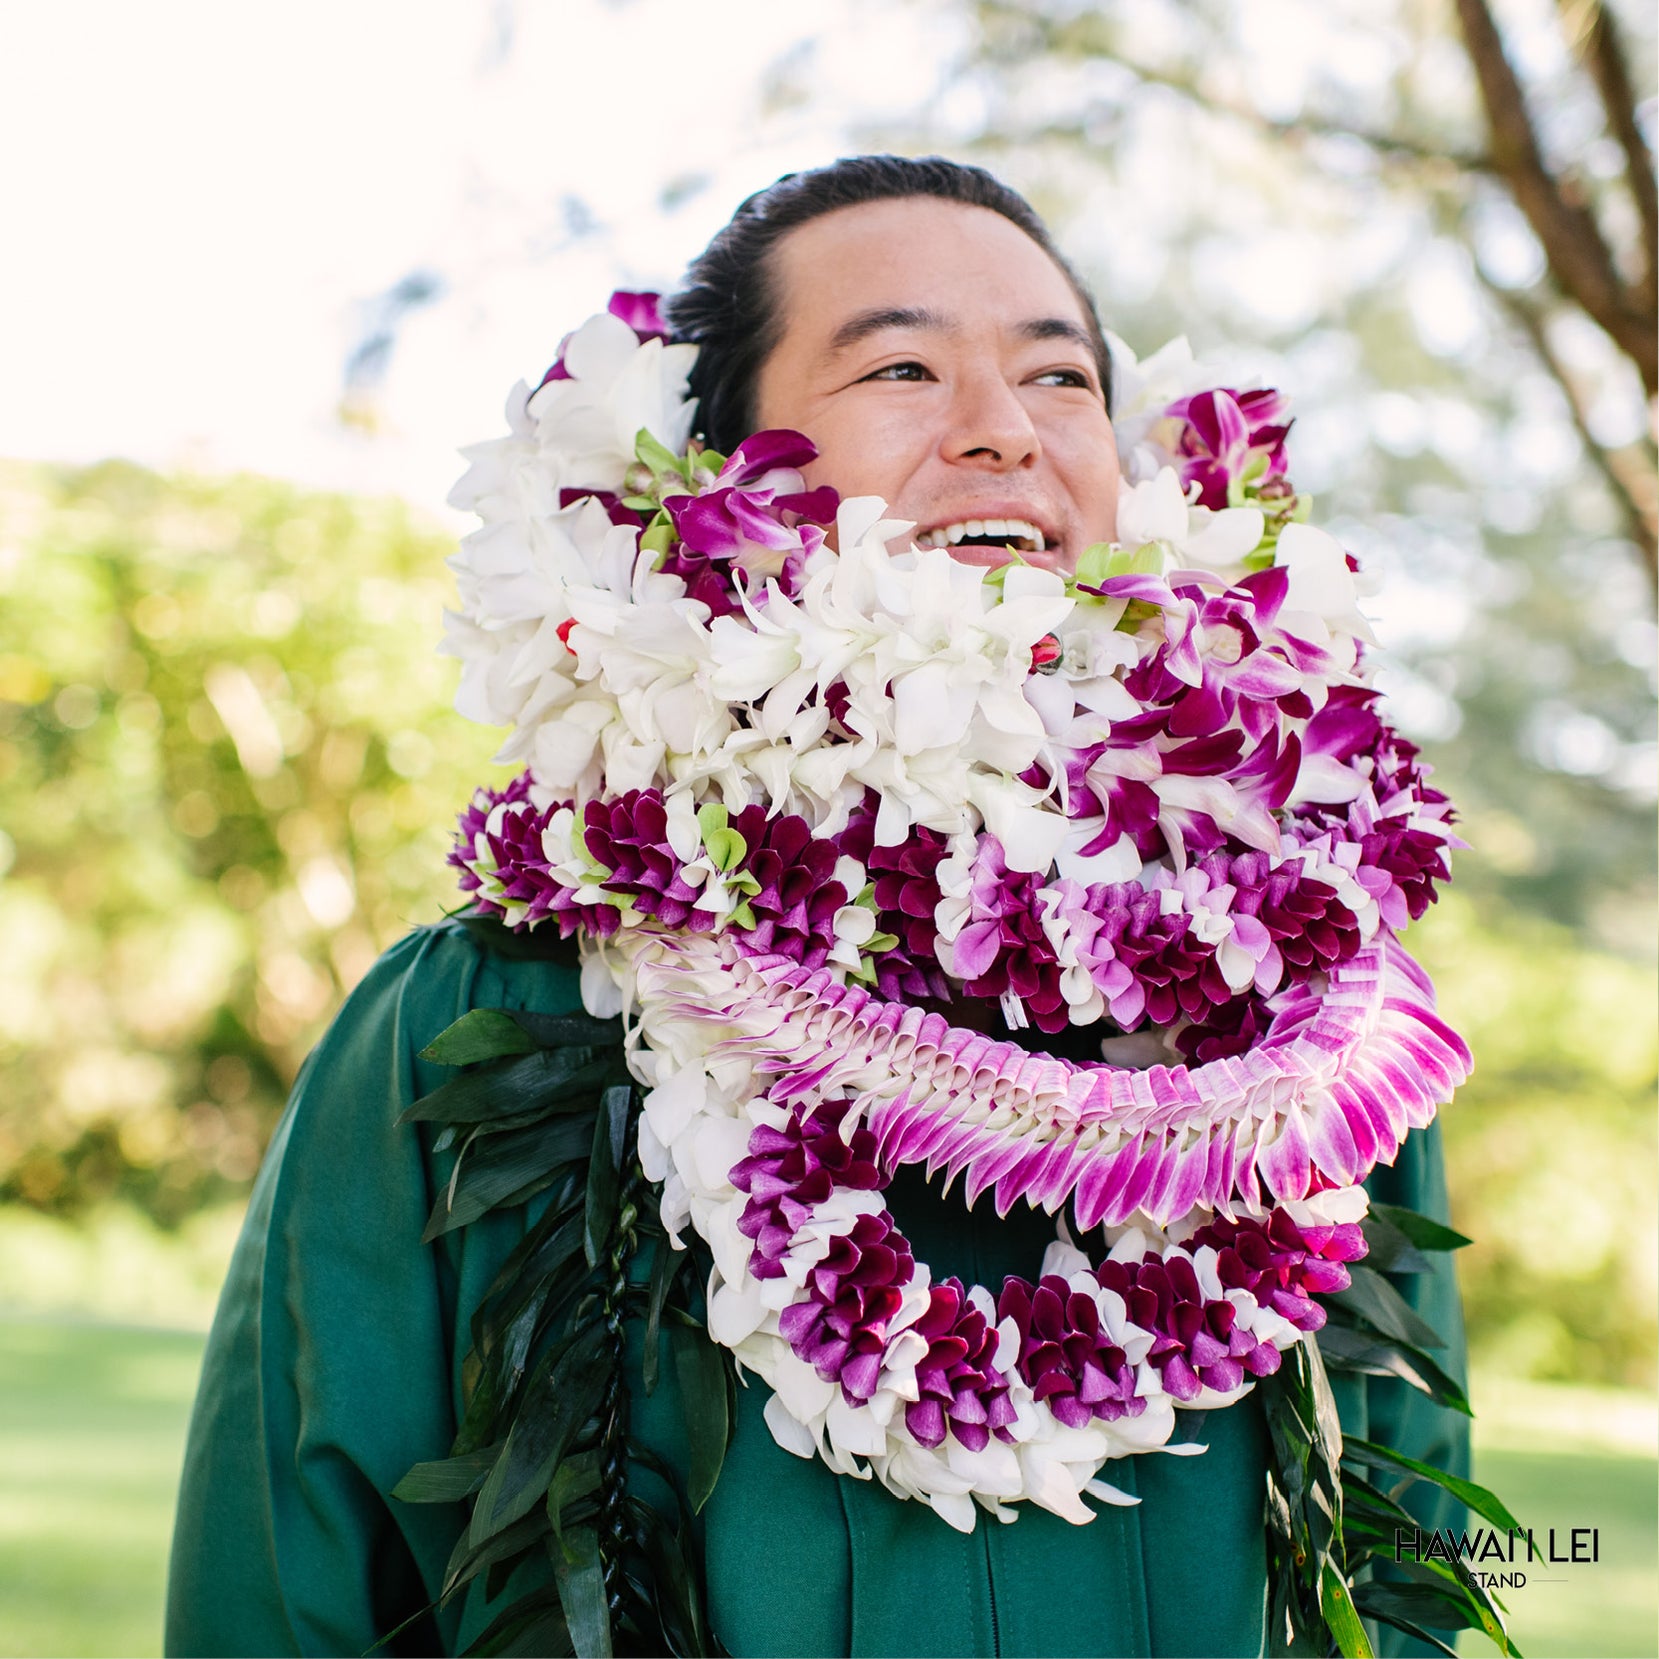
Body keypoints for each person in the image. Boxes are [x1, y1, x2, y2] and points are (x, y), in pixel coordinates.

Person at [166, 156, 1467, 1657]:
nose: (1002, 429)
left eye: (1060, 377)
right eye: (903, 367)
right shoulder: (492, 1012)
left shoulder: (1308, 1058)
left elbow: (1413, 1560)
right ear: (715, 476)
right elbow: (285, 1595)